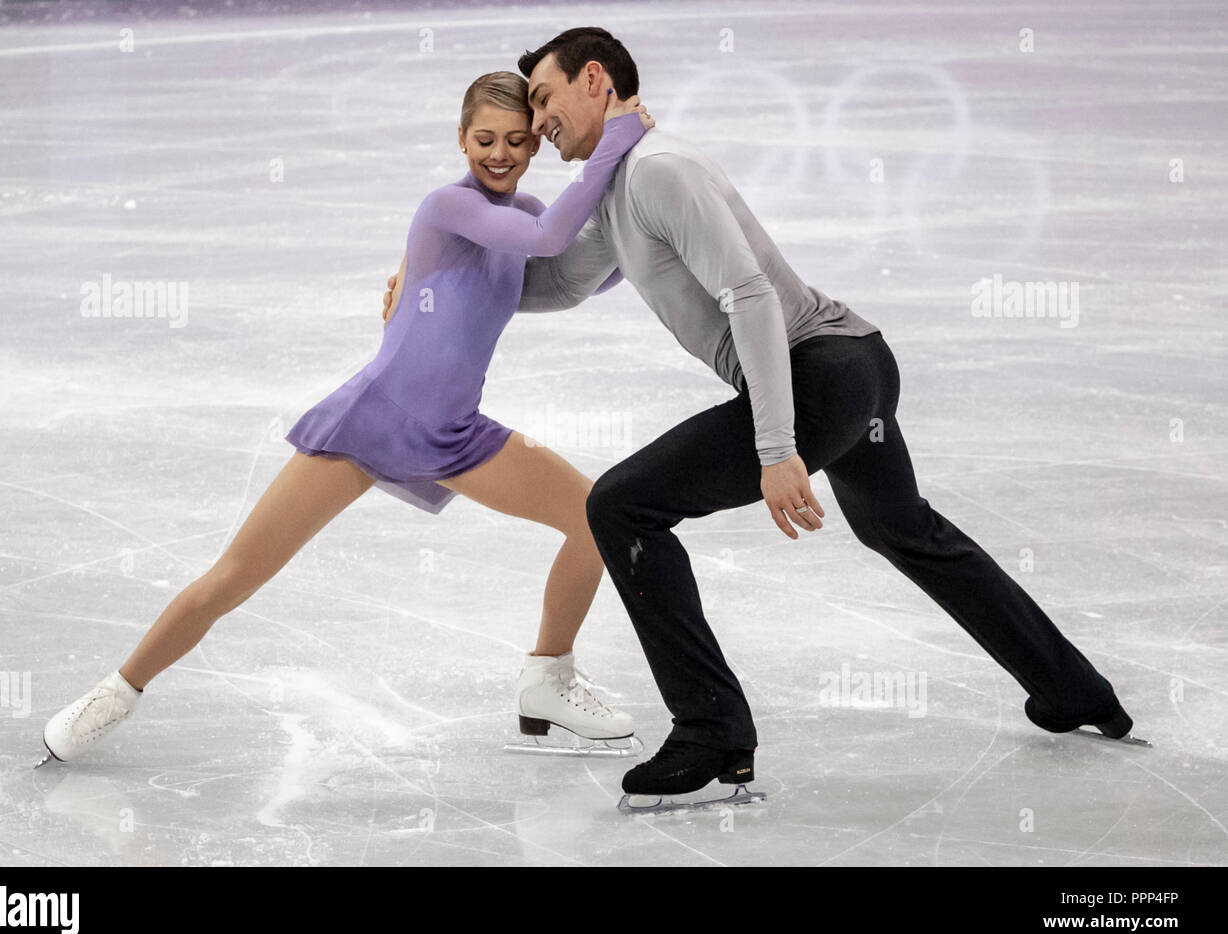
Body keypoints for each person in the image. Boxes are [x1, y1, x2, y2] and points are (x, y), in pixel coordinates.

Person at [472, 27, 1136, 809]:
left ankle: (712, 733)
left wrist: (776, 446)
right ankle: (1075, 691)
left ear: (594, 80)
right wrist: (448, 282)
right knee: (902, 526)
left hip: (821, 377)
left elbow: (747, 294)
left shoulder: (657, 170)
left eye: (544, 98)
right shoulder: (618, 188)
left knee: (621, 506)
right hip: (858, 369)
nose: (538, 122)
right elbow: (559, 285)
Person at [40, 71, 656, 765]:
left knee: (595, 515)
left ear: (535, 147)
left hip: (453, 435)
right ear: (460, 138)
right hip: (373, 422)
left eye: (517, 140)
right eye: (484, 138)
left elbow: (590, 269)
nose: (500, 153)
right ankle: (117, 691)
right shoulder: (447, 206)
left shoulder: (527, 217)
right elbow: (548, 238)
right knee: (237, 574)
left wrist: (642, 205)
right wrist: (623, 134)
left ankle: (548, 679)